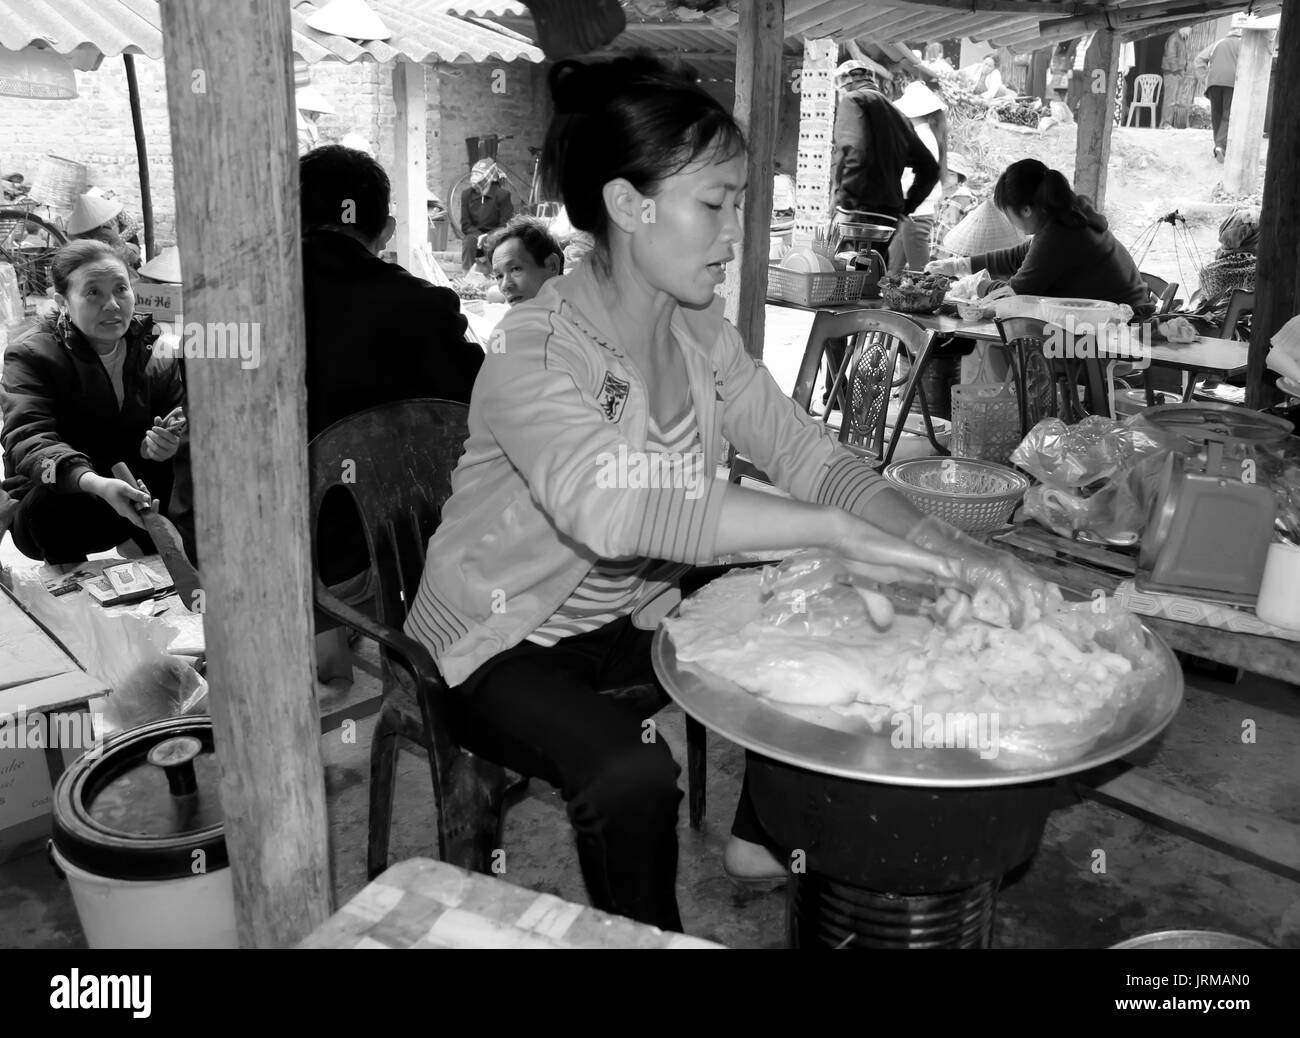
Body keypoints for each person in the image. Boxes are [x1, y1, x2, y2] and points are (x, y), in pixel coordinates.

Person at [401, 53, 1051, 931]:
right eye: (715, 204)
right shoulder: (535, 347)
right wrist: (825, 532)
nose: (735, 231)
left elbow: (807, 456)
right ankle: (653, 935)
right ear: (630, 207)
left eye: (740, 202)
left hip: (630, 605)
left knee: (844, 605)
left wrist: (940, 544)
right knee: (630, 775)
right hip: (502, 636)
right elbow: (611, 503)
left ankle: (760, 834)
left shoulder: (699, 329)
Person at [300, 144, 483, 680]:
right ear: (385, 228)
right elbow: (482, 416)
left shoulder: (241, 305)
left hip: (258, 551)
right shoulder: (421, 308)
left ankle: (324, 654)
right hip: (386, 556)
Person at [1, 240, 184, 565]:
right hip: (66, 505)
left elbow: (175, 416)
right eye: (93, 293)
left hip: (130, 494)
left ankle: (142, 544)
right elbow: (27, 441)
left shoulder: (153, 349)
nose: (112, 304)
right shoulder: (31, 356)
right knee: (48, 502)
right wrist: (94, 483)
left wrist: (164, 444)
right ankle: (71, 573)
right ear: (63, 302)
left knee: (182, 472)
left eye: (120, 289)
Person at [828, 59, 939, 403]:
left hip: (855, 216)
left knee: (834, 303)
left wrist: (841, 197)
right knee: (872, 299)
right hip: (887, 220)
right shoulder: (897, 115)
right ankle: (862, 382)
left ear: (845, 83)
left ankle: (838, 386)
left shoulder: (852, 102)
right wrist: (904, 207)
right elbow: (930, 169)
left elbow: (850, 150)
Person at [926, 158, 1151, 316]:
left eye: (1008, 213)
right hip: (1121, 316)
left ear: (1026, 210)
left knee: (1008, 333)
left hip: (1120, 331)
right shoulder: (1068, 216)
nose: (1010, 221)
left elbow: (1013, 297)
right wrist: (958, 265)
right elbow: (1019, 256)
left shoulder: (1060, 235)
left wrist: (976, 285)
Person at [889, 82, 947, 274]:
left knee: (921, 275)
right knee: (892, 271)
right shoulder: (926, 134)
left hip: (915, 213)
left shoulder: (922, 135)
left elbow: (914, 178)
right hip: (913, 213)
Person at [485, 216, 564, 305]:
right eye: (499, 276)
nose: (505, 286)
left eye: (516, 269)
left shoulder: (575, 314)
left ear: (552, 266)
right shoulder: (522, 316)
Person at [1195, 20, 1245, 162]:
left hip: (1214, 83)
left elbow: (1198, 60)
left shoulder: (1218, 43)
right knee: (1228, 115)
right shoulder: (1243, 44)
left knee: (1216, 115)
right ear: (1241, 32)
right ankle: (1220, 146)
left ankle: (1218, 146)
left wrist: (1204, 78)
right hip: (1231, 84)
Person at [460, 159, 514, 273]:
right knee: (468, 241)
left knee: (490, 241)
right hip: (475, 234)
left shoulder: (502, 195)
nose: (474, 177)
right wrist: (479, 236)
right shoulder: (466, 195)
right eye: (473, 173)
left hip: (495, 234)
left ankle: (494, 274)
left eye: (478, 174)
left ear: (487, 177)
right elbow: (465, 224)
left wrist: (488, 236)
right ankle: (466, 274)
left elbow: (506, 224)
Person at [67, 191, 142, 270]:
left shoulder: (114, 210)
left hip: (114, 244)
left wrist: (118, 239)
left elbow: (134, 226)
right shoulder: (79, 219)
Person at [1160, 27, 1195, 129]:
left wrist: (1184, 69)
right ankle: (1165, 123)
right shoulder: (1174, 38)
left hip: (1177, 72)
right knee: (1169, 98)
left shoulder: (1181, 39)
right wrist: (1177, 71)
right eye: (1189, 30)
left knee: (1173, 99)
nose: (1189, 33)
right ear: (1183, 28)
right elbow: (1170, 56)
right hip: (1172, 73)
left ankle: (1168, 123)